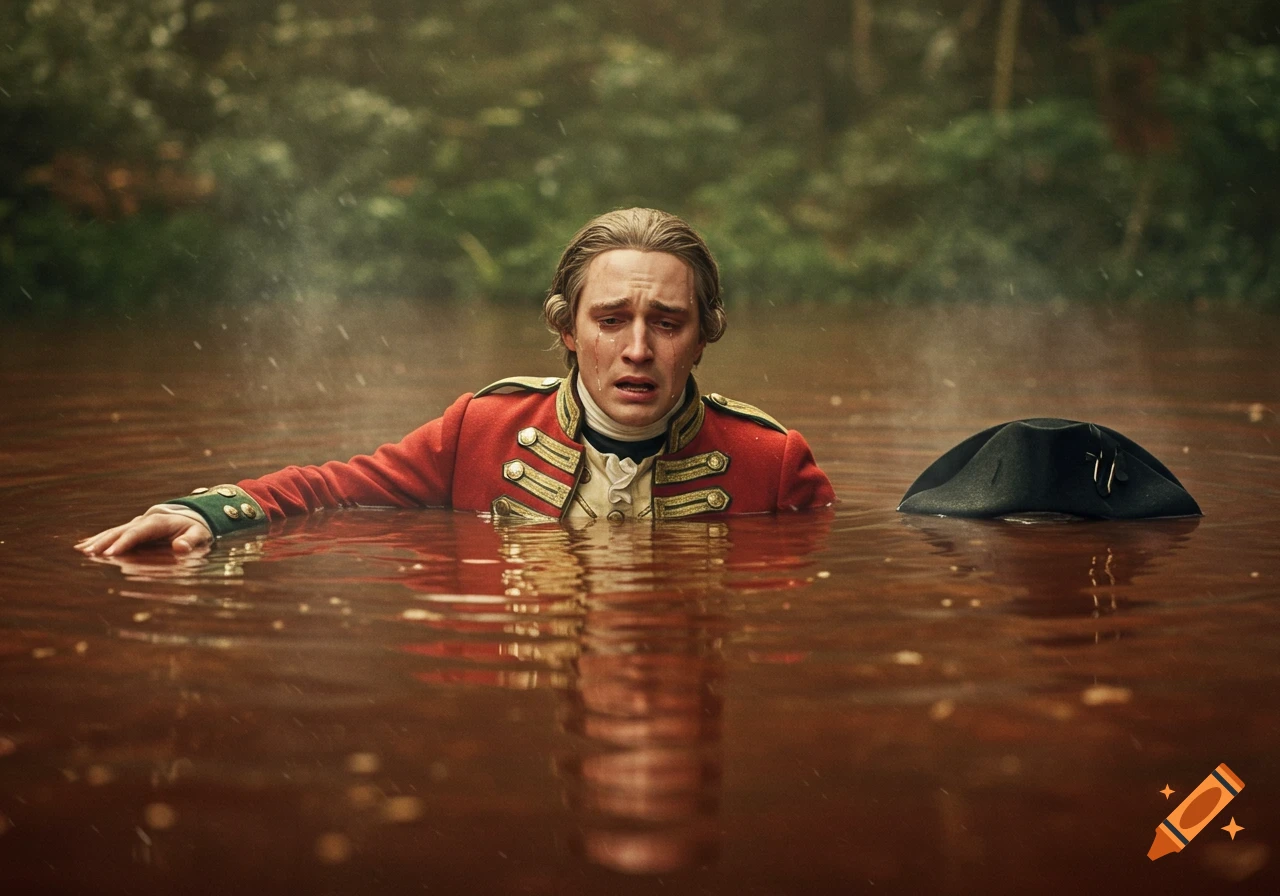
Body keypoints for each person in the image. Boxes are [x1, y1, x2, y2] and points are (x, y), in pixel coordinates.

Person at [76, 208, 835, 557]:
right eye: (611, 320)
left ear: (703, 337)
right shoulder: (480, 428)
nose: (637, 347)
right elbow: (332, 490)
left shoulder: (774, 463)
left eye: (667, 322)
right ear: (568, 331)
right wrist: (206, 512)